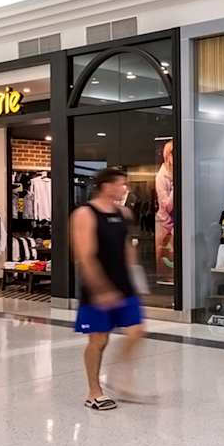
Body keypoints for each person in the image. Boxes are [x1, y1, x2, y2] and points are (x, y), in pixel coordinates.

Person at [71, 167, 146, 410]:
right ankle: (94, 391)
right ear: (106, 186)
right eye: (120, 184)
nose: (124, 188)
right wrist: (101, 289)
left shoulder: (123, 212)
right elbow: (85, 255)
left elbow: (126, 247)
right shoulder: (85, 214)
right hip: (97, 288)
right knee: (98, 340)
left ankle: (117, 377)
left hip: (124, 285)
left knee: (137, 331)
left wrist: (136, 279)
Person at [154, 140, 175, 282]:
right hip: (164, 223)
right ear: (168, 156)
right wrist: (175, 188)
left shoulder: (173, 173)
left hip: (173, 223)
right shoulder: (161, 177)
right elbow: (167, 205)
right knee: (165, 255)